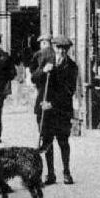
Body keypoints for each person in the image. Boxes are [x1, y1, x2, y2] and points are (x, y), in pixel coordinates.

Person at [32, 36, 78, 185]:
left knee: (63, 141)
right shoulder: (46, 61)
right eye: (59, 48)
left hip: (61, 110)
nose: (61, 51)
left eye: (65, 49)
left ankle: (66, 172)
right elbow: (34, 78)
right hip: (44, 109)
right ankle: (50, 174)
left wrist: (52, 103)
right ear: (54, 48)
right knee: (47, 142)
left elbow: (69, 90)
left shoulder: (72, 67)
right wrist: (43, 71)